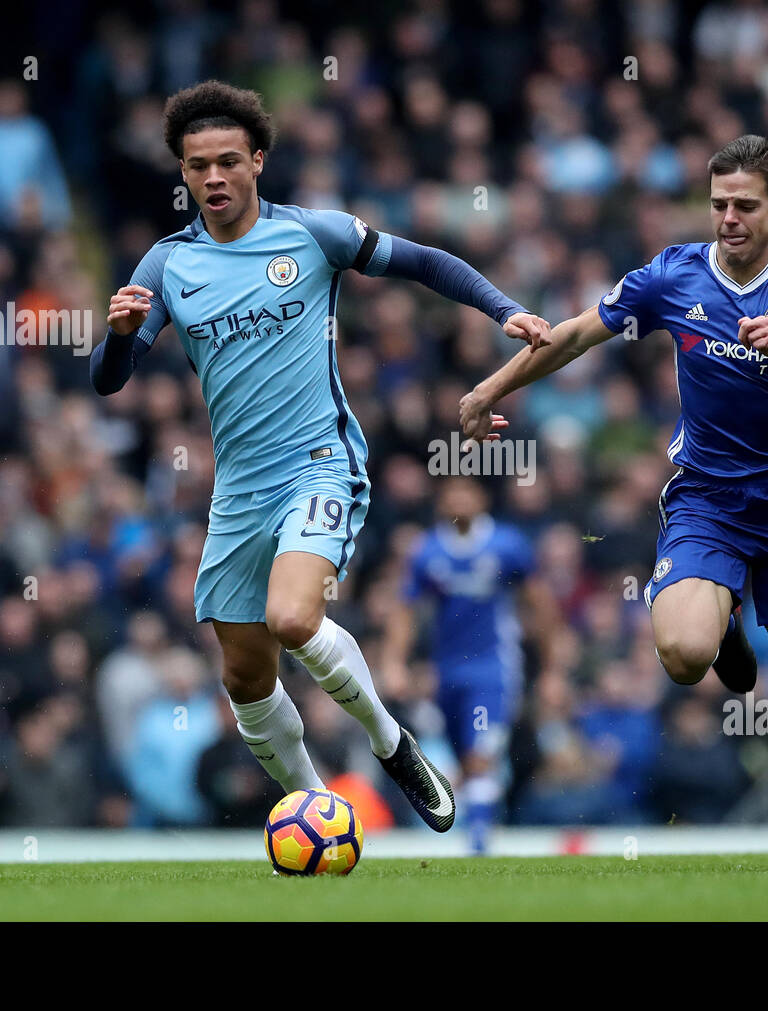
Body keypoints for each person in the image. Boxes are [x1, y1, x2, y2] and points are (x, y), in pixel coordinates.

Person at [90, 80, 552, 833]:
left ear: (257, 161)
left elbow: (425, 262)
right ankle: (315, 806)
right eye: (198, 164)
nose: (214, 177)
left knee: (294, 616)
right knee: (243, 674)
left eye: (228, 161)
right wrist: (116, 334)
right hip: (238, 490)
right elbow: (109, 383)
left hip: (317, 463)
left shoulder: (313, 234)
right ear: (182, 173)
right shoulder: (166, 266)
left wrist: (503, 309)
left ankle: (390, 742)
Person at [460, 135, 768, 868]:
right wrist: (491, 387)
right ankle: (722, 626)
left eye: (746, 205)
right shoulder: (673, 274)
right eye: (718, 205)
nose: (729, 218)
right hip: (708, 499)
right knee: (682, 655)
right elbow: (578, 333)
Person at [383, 476, 558, 852]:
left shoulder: (506, 545)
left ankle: (479, 838)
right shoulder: (428, 551)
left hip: (493, 668)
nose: (459, 500)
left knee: (482, 753)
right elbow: (405, 609)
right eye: (451, 493)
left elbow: (540, 603)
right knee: (463, 758)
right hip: (447, 672)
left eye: (467, 492)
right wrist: (395, 662)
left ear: (481, 498)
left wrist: (551, 669)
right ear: (442, 502)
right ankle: (477, 824)